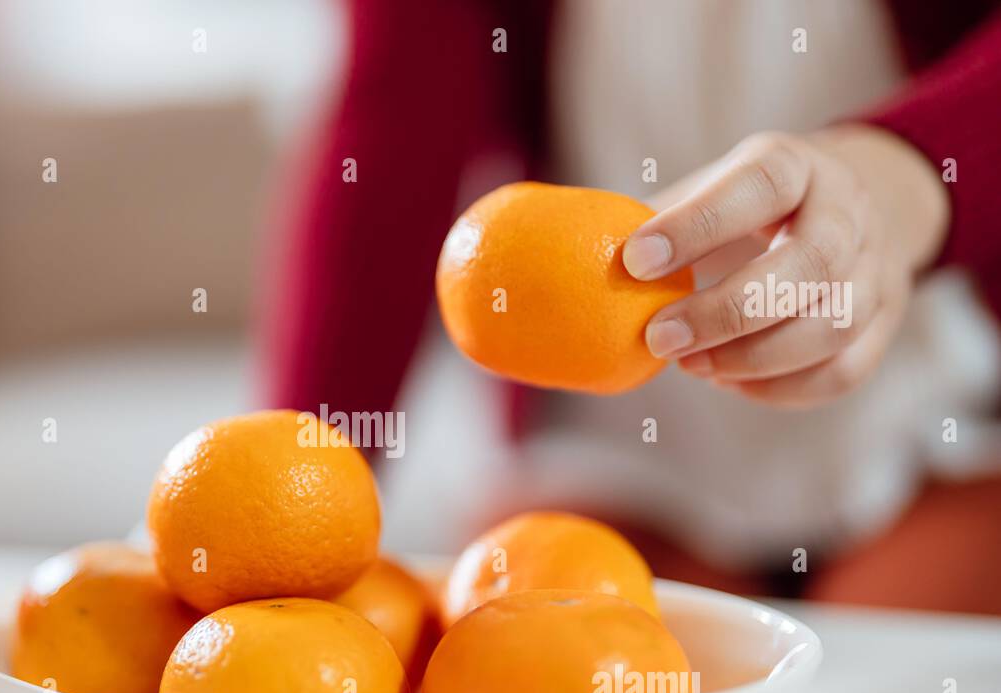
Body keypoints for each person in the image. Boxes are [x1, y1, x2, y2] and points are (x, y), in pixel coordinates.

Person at [262, 0, 1001, 615]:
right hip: (621, 463)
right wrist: (297, 495)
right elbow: (396, 124)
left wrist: (905, 180)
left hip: (940, 432)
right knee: (554, 678)